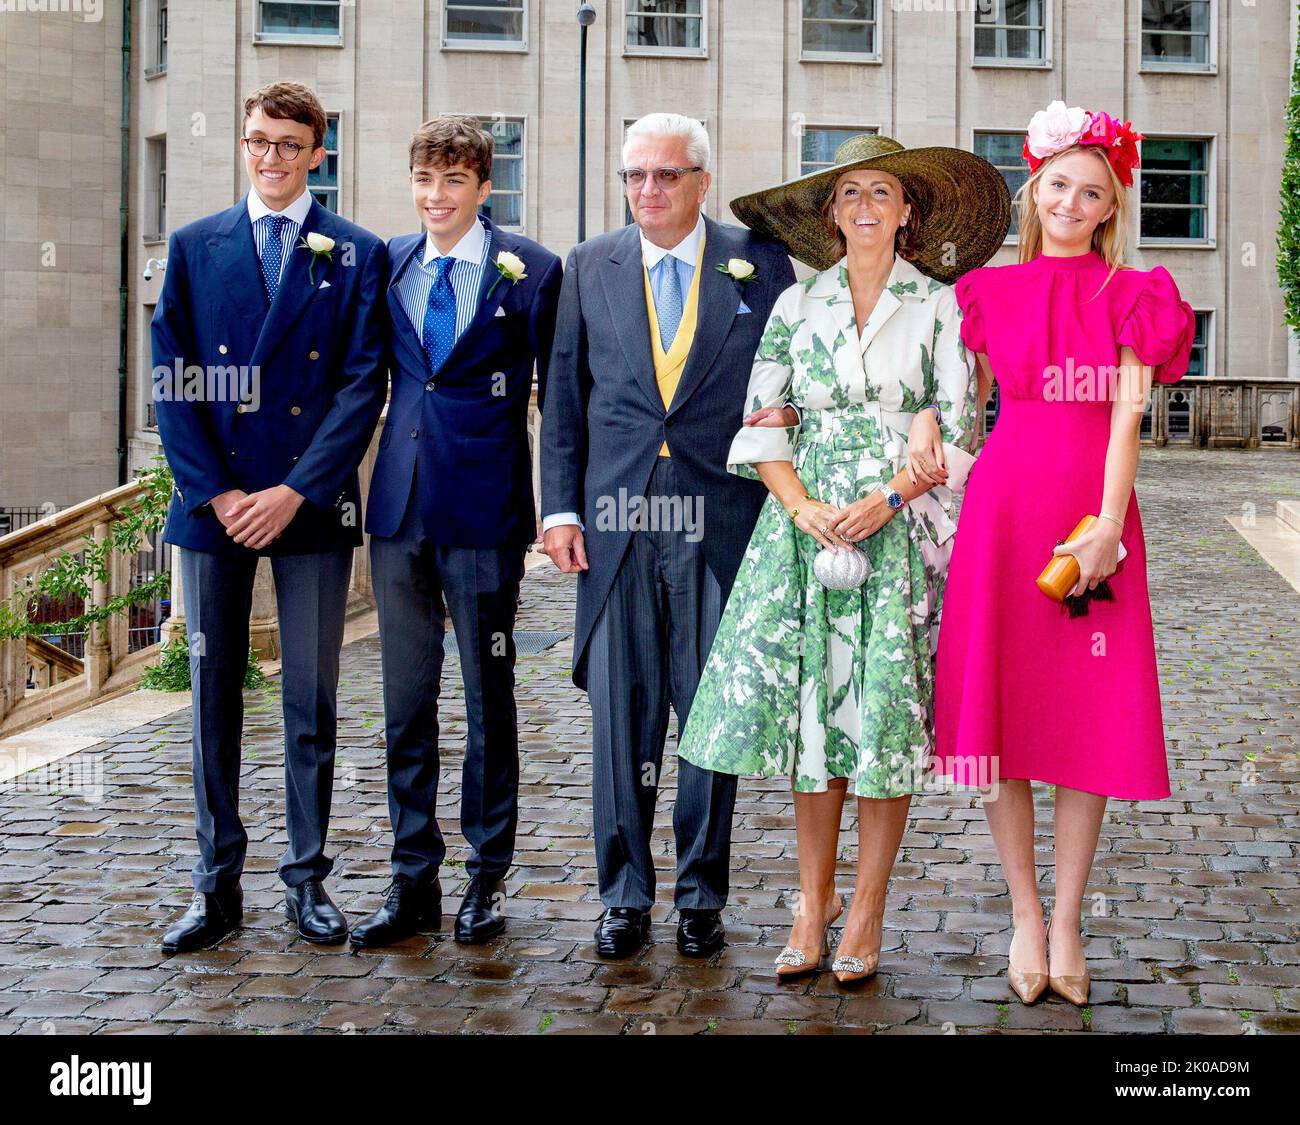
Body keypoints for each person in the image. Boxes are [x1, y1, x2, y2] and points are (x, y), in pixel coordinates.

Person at [679, 134, 1009, 981]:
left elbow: (962, 427)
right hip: (804, 531)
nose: (864, 207)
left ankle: (865, 908)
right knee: (811, 724)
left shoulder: (939, 306)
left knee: (881, 721)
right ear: (831, 214)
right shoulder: (797, 304)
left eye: (882, 193)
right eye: (849, 193)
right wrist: (803, 507)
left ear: (909, 213)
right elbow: (762, 421)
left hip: (898, 531)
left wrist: (888, 498)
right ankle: (811, 898)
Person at [917, 102, 1196, 1005]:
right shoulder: (986, 294)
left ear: (1112, 206)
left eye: (1093, 192)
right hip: (1003, 516)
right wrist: (935, 438)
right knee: (1002, 721)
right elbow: (967, 411)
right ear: (1036, 189)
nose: (1073, 202)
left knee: (1082, 718)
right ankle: (1026, 915)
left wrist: (1110, 524)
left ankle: (1070, 916)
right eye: (1060, 186)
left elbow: (1126, 415)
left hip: (1091, 520)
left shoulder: (1135, 293)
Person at [539, 113, 796, 959]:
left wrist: (785, 420)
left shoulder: (758, 261)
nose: (648, 191)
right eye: (635, 176)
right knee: (621, 716)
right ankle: (622, 893)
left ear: (702, 180)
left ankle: (700, 893)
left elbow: (784, 375)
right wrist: (560, 508)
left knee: (710, 714)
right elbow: (564, 400)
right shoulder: (589, 265)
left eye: (667, 175)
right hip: (615, 526)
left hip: (720, 518)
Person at [152, 82, 388, 952]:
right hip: (215, 507)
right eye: (259, 141)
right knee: (212, 697)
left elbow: (364, 383)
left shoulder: (355, 252)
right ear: (243, 145)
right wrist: (217, 492)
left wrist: (294, 490)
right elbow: (172, 377)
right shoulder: (193, 245)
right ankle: (214, 888)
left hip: (312, 503)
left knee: (309, 700)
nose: (273, 158)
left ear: (318, 152)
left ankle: (306, 881)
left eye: (291, 145)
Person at [349, 117, 563, 949]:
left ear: (483, 187)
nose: (435, 197)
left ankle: (485, 878)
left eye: (452, 182)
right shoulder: (389, 260)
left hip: (484, 512)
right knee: (405, 703)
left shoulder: (533, 270)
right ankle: (412, 881)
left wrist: (559, 505)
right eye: (423, 180)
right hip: (398, 510)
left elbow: (561, 396)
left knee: (487, 699)